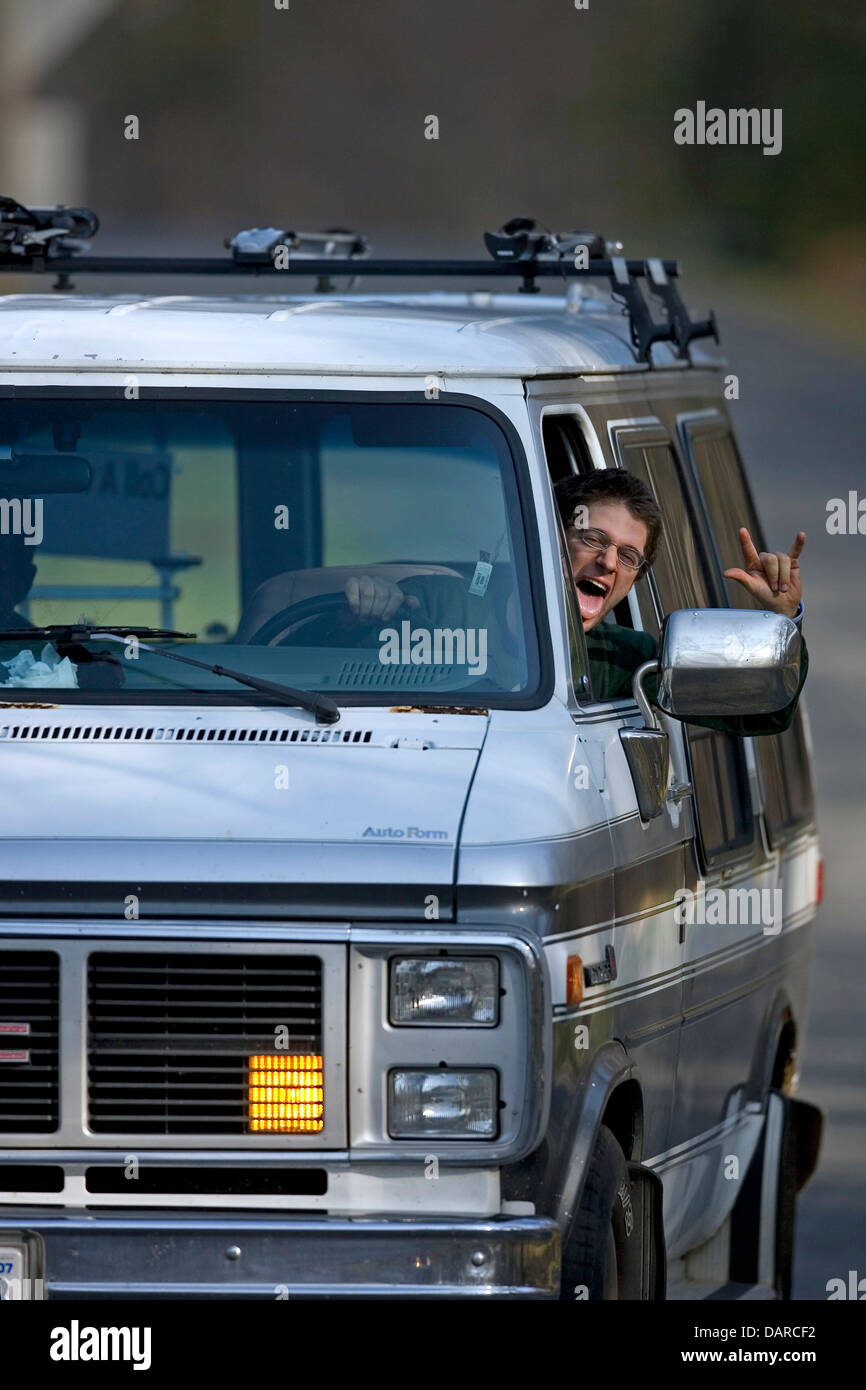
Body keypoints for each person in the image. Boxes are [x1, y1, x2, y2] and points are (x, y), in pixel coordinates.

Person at [554, 469, 807, 735]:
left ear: (635, 578)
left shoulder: (624, 656)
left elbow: (763, 716)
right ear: (552, 536)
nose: (608, 562)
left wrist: (784, 617)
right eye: (593, 539)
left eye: (628, 556)